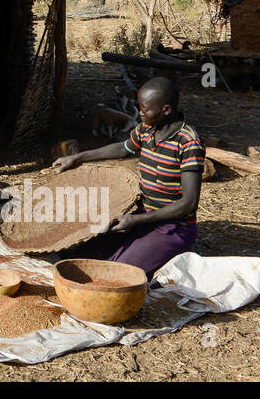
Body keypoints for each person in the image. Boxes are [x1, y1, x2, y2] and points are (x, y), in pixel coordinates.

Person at [52, 76, 204, 277]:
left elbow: (189, 203)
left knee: (116, 274)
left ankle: (168, 254)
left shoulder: (188, 142)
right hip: (141, 215)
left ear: (166, 110)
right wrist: (78, 157)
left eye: (145, 108)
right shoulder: (146, 130)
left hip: (173, 227)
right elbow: (122, 149)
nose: (139, 112)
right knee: (79, 253)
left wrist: (138, 221)